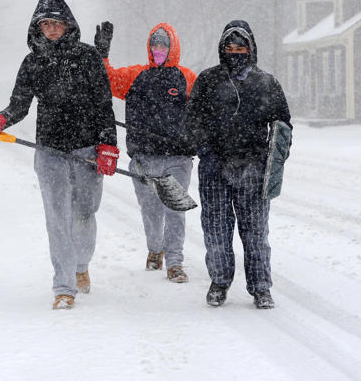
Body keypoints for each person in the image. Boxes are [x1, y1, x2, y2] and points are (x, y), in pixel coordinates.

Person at [0, 0, 118, 310]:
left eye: (56, 23)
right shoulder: (33, 62)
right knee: (57, 218)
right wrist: (1, 118)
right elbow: (19, 104)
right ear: (37, 28)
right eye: (45, 24)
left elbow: (103, 104)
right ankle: (64, 286)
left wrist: (108, 144)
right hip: (49, 150)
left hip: (86, 149)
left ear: (68, 24)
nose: (51, 29)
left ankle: (81, 265)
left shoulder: (88, 57)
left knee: (85, 212)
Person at [184, 20, 291, 309]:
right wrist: (205, 149)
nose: (235, 52)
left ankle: (260, 287)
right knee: (216, 229)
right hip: (214, 168)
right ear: (222, 48)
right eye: (229, 47)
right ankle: (219, 282)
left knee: (256, 232)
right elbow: (192, 120)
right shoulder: (208, 80)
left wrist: (273, 162)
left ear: (251, 48)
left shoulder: (266, 83)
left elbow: (282, 126)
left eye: (241, 47)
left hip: (253, 168)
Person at [94, 21, 197, 283]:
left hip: (177, 159)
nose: (159, 49)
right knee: (151, 210)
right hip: (143, 157)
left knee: (175, 210)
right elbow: (106, 81)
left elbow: (206, 110)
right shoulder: (135, 75)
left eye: (164, 45)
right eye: (155, 45)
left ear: (173, 47)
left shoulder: (187, 78)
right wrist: (102, 55)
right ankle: (155, 249)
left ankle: (175, 262)